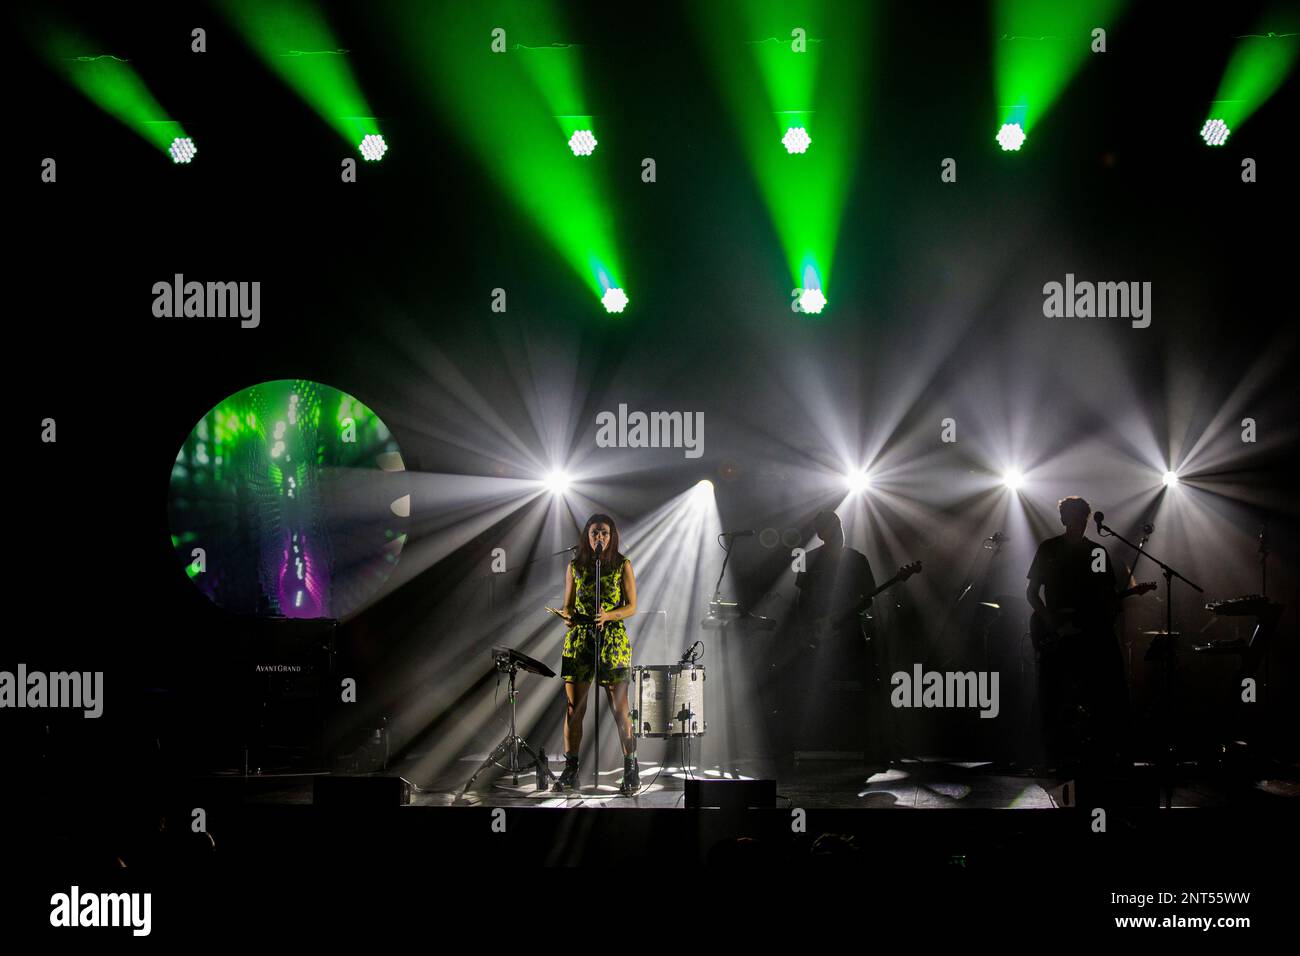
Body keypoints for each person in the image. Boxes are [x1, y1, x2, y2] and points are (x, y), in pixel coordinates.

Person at [1026, 495, 1131, 769]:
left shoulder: (1096, 553)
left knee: (1096, 690)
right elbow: (1031, 592)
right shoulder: (1048, 549)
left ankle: (1098, 753)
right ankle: (1053, 754)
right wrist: (1049, 618)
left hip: (1086, 631)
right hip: (1055, 630)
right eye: (1073, 518)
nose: (1079, 523)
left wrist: (1109, 607)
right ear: (1063, 519)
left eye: (1082, 518)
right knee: (1053, 693)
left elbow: (1103, 593)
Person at [554, 513, 640, 794]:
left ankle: (630, 767)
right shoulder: (575, 566)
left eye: (604, 533)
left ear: (611, 536)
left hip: (612, 641)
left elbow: (631, 606)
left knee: (619, 709)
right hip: (580, 640)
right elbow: (567, 604)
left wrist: (610, 616)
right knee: (574, 709)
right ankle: (571, 768)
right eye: (594, 533)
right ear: (586, 536)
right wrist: (567, 616)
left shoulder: (621, 565)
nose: (599, 538)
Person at [793, 511, 877, 753]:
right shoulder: (809, 559)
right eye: (826, 528)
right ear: (819, 534)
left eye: (835, 526)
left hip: (850, 631)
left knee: (856, 682)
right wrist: (807, 629)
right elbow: (801, 600)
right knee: (819, 685)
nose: (833, 532)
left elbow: (868, 598)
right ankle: (818, 738)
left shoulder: (857, 560)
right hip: (820, 634)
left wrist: (852, 609)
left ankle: (856, 739)